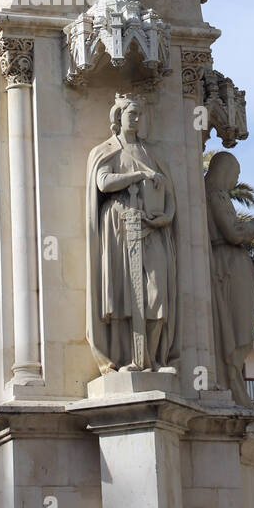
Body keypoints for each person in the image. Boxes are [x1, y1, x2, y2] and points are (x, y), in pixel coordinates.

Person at [86, 94, 177, 373]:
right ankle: (130, 359)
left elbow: (170, 194)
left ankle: (153, 359)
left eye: (140, 114)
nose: (136, 119)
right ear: (118, 117)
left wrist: (166, 217)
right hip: (120, 228)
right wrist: (139, 175)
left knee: (158, 294)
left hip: (154, 230)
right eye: (131, 114)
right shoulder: (107, 150)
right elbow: (103, 182)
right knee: (126, 294)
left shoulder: (152, 153)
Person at [204, 151, 254, 406]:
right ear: (224, 171)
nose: (235, 181)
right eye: (234, 175)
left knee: (238, 330)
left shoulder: (216, 195)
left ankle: (234, 385)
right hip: (228, 268)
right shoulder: (214, 195)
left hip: (233, 267)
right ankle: (232, 386)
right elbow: (234, 232)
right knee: (234, 331)